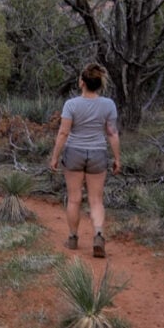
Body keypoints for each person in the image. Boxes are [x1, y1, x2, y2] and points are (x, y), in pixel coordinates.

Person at [48, 63, 121, 257]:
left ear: (82, 82)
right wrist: (117, 158)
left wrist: (55, 157)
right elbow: (112, 134)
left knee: (74, 198)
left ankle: (73, 238)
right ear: (99, 84)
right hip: (97, 153)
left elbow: (63, 132)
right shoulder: (108, 105)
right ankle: (98, 235)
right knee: (96, 199)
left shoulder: (71, 105)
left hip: (74, 152)